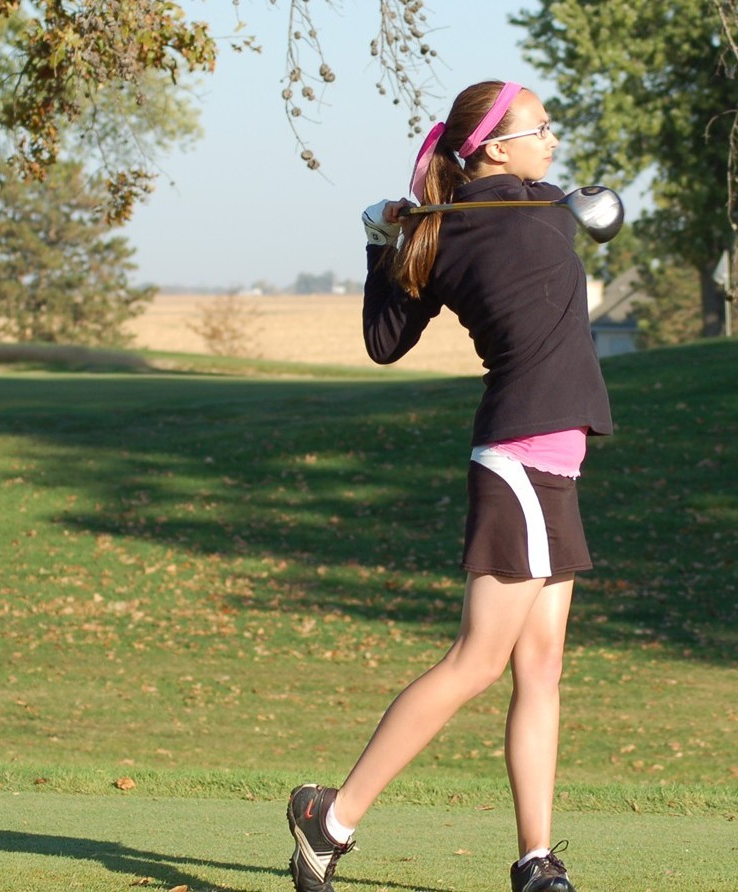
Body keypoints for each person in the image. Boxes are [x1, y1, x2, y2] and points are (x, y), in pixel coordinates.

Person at [286, 80, 613, 892]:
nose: (553, 141)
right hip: (522, 458)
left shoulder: (513, 208)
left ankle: (536, 861)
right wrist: (384, 239)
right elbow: (386, 342)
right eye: (543, 128)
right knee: (475, 662)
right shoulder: (485, 218)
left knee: (539, 669)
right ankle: (329, 822)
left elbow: (383, 336)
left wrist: (384, 237)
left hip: (549, 460)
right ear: (496, 148)